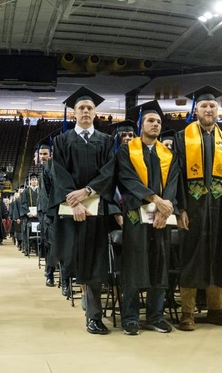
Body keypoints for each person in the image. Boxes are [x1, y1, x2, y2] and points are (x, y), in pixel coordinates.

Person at [173, 85, 222, 331]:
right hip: (193, 208)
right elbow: (176, 176)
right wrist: (180, 208)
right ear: (196, 110)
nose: (209, 109)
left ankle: (217, 310)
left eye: (213, 106)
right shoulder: (183, 137)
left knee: (217, 258)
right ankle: (187, 313)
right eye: (204, 106)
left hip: (219, 209)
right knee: (191, 259)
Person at [49, 86, 116, 335]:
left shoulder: (106, 141)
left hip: (97, 211)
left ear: (95, 113)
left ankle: (94, 316)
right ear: (74, 113)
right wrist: (74, 203)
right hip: (71, 213)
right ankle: (87, 306)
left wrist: (86, 193)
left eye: (89, 108)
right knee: (77, 262)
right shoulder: (61, 141)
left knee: (96, 264)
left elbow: (109, 172)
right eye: (81, 108)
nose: (85, 111)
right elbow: (59, 174)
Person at [115, 100, 179, 335]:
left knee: (159, 264)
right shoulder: (127, 150)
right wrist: (156, 200)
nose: (155, 125)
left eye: (159, 122)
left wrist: (166, 207)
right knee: (134, 265)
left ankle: (156, 316)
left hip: (161, 218)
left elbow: (173, 183)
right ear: (142, 124)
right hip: (135, 215)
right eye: (151, 121)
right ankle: (130, 318)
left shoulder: (168, 154)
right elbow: (128, 180)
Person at [35, 143, 58, 288]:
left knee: (53, 243)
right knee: (47, 243)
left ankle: (51, 273)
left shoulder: (53, 168)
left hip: (53, 211)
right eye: (41, 154)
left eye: (45, 153)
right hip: (44, 212)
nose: (43, 156)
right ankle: (49, 271)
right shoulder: (42, 170)